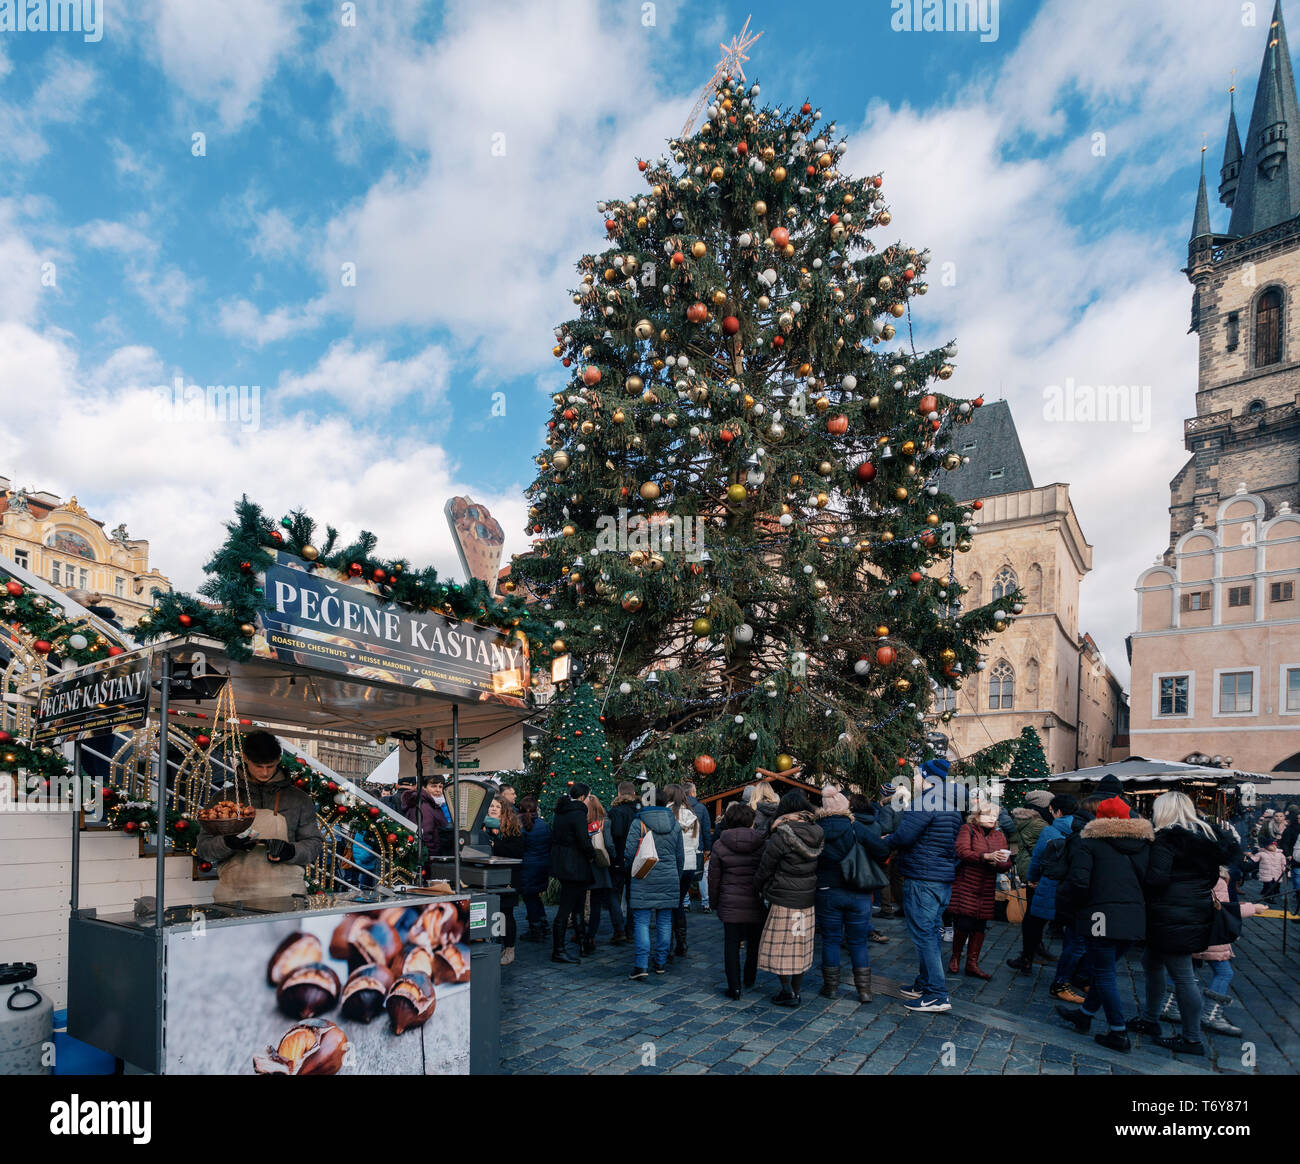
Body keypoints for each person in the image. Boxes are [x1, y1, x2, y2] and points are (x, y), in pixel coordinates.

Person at [1127, 791, 1233, 1056]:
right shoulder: (1206, 838)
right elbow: (1211, 879)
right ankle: (1150, 1020)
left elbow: (1156, 879)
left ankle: (1191, 1038)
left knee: (1183, 976)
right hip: (1192, 911)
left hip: (1171, 915)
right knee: (1151, 963)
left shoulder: (1167, 840)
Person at [1054, 795, 1153, 1052]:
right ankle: (1085, 1015)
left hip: (1100, 915)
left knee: (1104, 973)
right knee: (1103, 969)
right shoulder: (1143, 845)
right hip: (1133, 917)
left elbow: (1078, 881)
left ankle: (1118, 1031)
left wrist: (1073, 909)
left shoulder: (1090, 843)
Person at [196, 730, 324, 904]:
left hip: (286, 895)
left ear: (279, 759)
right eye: (258, 766)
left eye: (270, 766)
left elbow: (314, 845)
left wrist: (291, 851)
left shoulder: (299, 799)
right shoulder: (223, 799)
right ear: (245, 758)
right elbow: (203, 848)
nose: (264, 772)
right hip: (234, 896)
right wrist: (227, 843)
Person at [885, 758, 964, 1013]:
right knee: (931, 932)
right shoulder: (952, 806)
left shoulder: (924, 802)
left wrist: (885, 840)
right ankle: (924, 984)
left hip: (923, 878)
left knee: (925, 936)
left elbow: (905, 836)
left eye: (916, 774)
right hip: (941, 879)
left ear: (927, 777)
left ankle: (936, 995)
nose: (914, 779)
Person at [815, 789, 891, 1003]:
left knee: (830, 940)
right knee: (858, 942)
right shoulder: (855, 827)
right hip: (859, 891)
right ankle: (864, 991)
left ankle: (830, 988)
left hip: (827, 891)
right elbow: (883, 850)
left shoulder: (817, 829)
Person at [754, 791, 825, 1008]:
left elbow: (766, 867)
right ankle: (795, 991)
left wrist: (759, 887)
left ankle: (787, 991)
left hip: (784, 897)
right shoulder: (818, 831)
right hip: (806, 898)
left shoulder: (782, 834)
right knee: (800, 945)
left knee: (781, 947)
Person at [1009, 794, 1077, 982]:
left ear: (1057, 811)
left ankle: (1027, 958)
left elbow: (1038, 858)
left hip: (1048, 882)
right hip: (1072, 884)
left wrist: (1032, 879)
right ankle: (1070, 970)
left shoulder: (1049, 830)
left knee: (1033, 919)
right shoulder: (1080, 828)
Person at [624, 788, 685, 980]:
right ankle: (660, 962)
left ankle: (641, 965)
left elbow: (629, 852)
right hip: (669, 878)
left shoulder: (638, 823)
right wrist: (676, 874)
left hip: (643, 877)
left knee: (641, 921)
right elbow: (679, 857)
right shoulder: (674, 825)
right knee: (665, 921)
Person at [708, 801, 767, 999]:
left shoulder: (720, 843)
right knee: (754, 943)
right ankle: (750, 977)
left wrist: (715, 902)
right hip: (755, 899)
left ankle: (734, 987)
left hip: (730, 900)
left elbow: (714, 877)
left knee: (731, 944)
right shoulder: (761, 842)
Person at [948, 800, 1013, 980]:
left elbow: (1006, 862)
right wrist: (984, 856)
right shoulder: (967, 829)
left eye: (994, 815)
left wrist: (999, 863)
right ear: (977, 815)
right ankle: (955, 957)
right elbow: (961, 851)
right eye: (988, 815)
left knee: (980, 925)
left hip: (986, 886)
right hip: (966, 883)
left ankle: (972, 964)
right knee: (964, 922)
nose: (992, 818)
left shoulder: (998, 835)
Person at [1193, 866, 1261, 1037]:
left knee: (1184, 971)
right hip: (1211, 936)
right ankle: (1210, 1015)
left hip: (1192, 932)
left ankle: (1170, 1006)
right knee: (1224, 973)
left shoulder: (1196, 874)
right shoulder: (1217, 879)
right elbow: (1220, 910)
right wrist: (1254, 908)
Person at [548, 783, 596, 964]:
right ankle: (559, 950)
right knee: (569, 907)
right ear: (584, 796)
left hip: (563, 863)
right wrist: (592, 855)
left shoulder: (561, 812)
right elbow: (583, 841)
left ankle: (582, 944)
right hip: (575, 865)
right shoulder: (578, 813)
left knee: (575, 905)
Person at [484, 796, 524, 965]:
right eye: (491, 806)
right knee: (492, 913)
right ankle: (494, 945)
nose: (493, 809)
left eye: (497, 806)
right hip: (487, 877)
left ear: (504, 810)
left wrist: (495, 846)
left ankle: (509, 948)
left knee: (506, 913)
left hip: (508, 877)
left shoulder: (512, 828)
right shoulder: (482, 827)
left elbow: (516, 851)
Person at [584, 793, 627, 948]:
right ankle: (620, 930)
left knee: (595, 900)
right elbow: (609, 844)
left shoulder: (584, 822)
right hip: (605, 864)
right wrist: (613, 858)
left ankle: (590, 936)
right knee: (611, 896)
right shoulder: (605, 821)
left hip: (591, 865)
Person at [667, 783, 703, 957]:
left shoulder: (666, 815)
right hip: (688, 864)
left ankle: (668, 943)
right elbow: (696, 843)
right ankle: (681, 942)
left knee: (668, 904)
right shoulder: (692, 816)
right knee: (679, 903)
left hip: (672, 863)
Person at [517, 794, 551, 941]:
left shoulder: (521, 826)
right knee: (536, 896)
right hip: (543, 865)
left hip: (527, 866)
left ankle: (535, 928)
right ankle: (543, 923)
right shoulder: (544, 825)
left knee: (529, 898)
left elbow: (519, 848)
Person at [608, 781, 639, 936]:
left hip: (618, 858)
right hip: (636, 857)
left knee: (613, 892)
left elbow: (615, 834)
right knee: (632, 893)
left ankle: (619, 927)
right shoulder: (639, 811)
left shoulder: (615, 811)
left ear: (619, 794)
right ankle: (631, 929)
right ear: (634, 794)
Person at [683, 781, 713, 912]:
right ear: (692, 793)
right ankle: (706, 903)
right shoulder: (701, 808)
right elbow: (706, 830)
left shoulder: (679, 808)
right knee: (701, 874)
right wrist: (708, 847)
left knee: (683, 874)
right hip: (698, 846)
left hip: (683, 846)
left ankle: (685, 903)